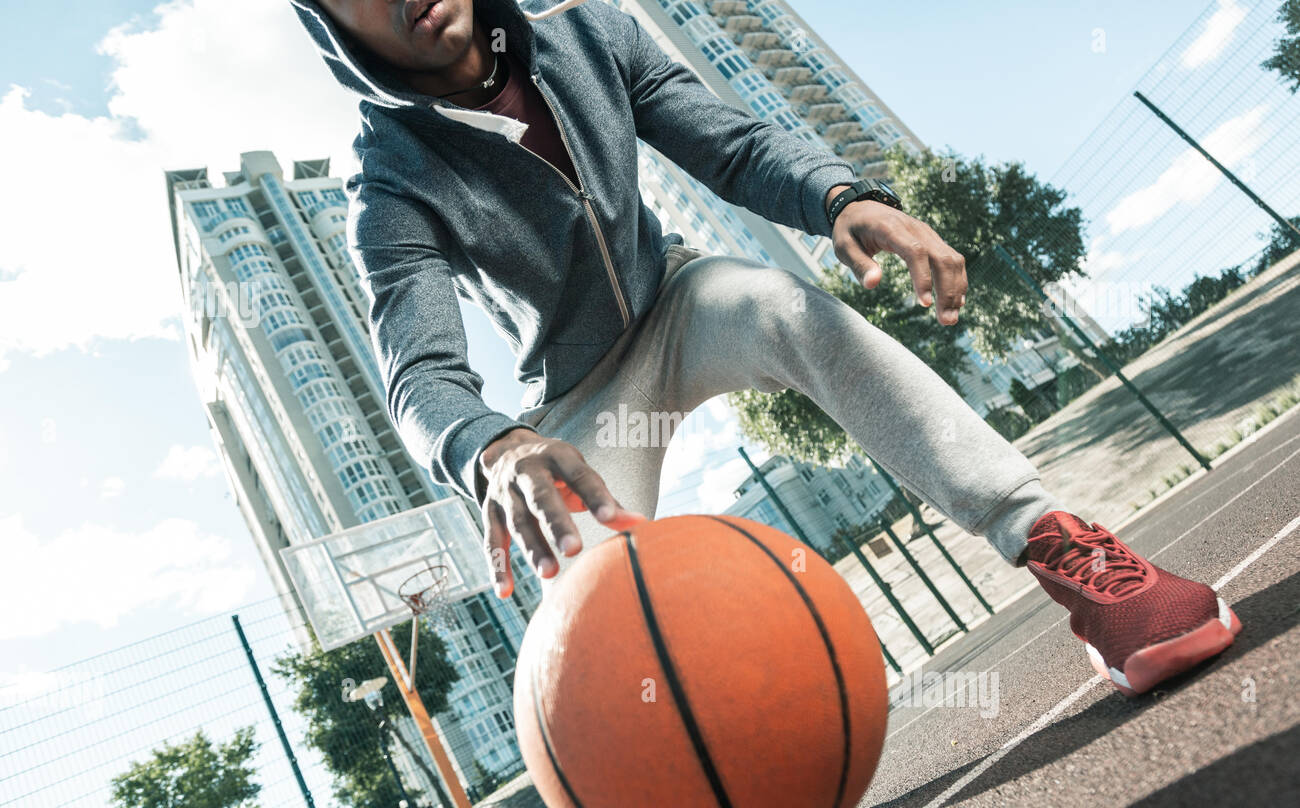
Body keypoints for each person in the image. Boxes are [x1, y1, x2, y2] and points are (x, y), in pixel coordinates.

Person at [291, 0, 1240, 696]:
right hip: (577, 407)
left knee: (782, 306)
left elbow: (735, 148)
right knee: (598, 633)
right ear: (335, 29)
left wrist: (842, 198)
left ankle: (1059, 547)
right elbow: (420, 375)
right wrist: (494, 451)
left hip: (685, 302)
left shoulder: (590, 36)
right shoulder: (390, 184)